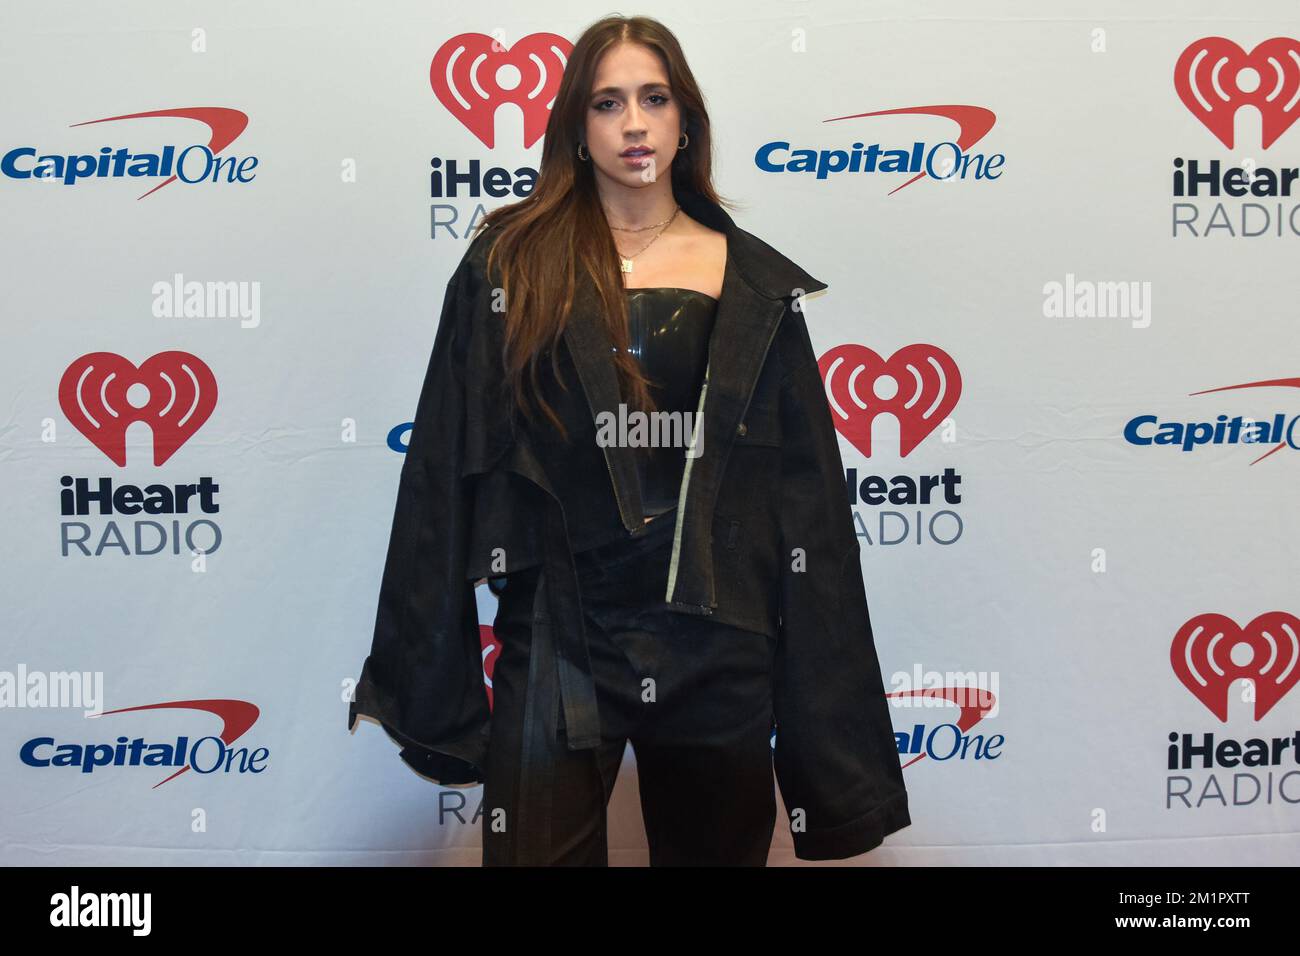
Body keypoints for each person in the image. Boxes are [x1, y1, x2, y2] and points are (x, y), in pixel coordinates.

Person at [348, 14, 911, 866]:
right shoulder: (509, 268)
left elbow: (811, 512)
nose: (635, 124)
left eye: (655, 98)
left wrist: (832, 748)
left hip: (720, 644)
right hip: (562, 636)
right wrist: (430, 669)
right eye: (608, 103)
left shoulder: (755, 282)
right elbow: (438, 471)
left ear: (687, 119)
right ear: (577, 126)